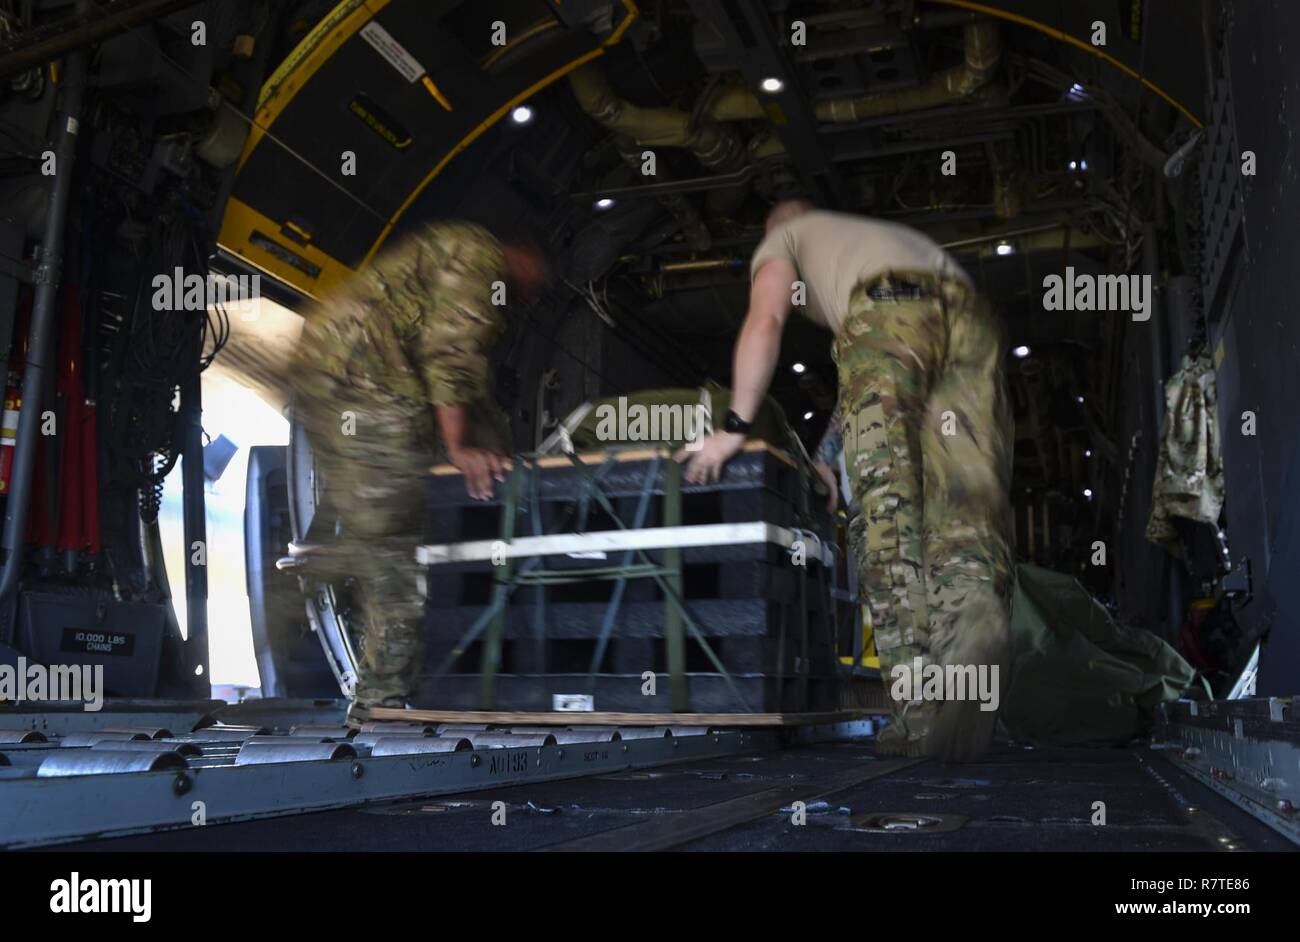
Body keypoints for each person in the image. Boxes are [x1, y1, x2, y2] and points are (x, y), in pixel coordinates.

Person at [679, 201, 1014, 760]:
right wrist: (827, 458)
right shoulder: (878, 237)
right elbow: (872, 378)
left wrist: (733, 426)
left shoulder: (785, 240)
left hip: (888, 312)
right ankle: (973, 612)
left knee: (888, 516)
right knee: (964, 504)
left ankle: (922, 716)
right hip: (970, 318)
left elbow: (766, 321)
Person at [290, 220, 548, 721]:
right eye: (542, 275)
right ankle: (378, 705)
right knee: (394, 551)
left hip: (344, 373)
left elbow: (471, 394)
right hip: (365, 379)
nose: (539, 291)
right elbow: (451, 355)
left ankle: (342, 568)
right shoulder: (480, 258)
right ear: (525, 255)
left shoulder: (456, 252)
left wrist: (483, 448)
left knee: (390, 528)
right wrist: (457, 448)